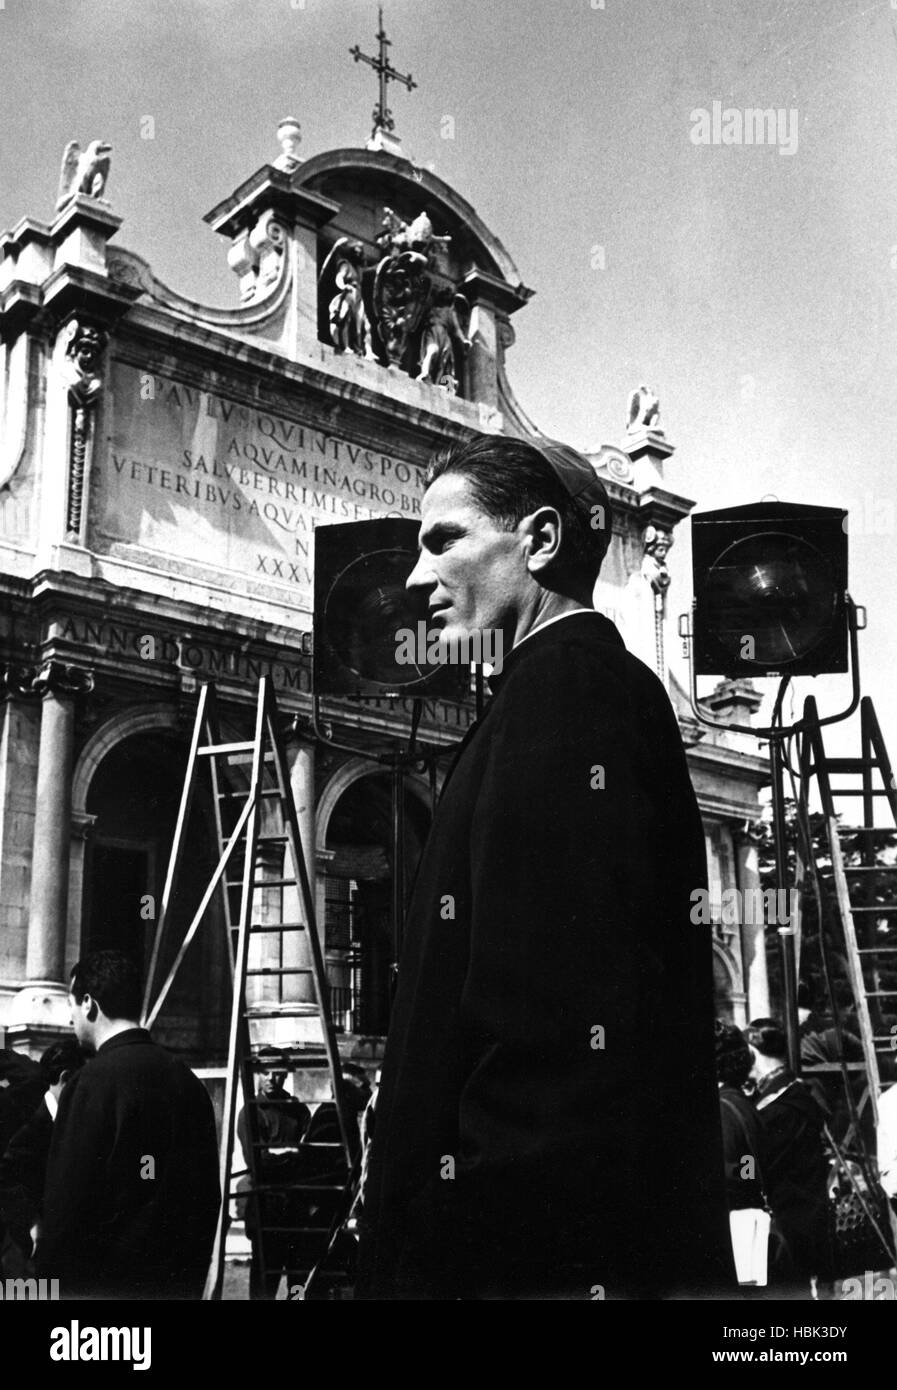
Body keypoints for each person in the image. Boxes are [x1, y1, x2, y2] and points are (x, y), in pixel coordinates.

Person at [356, 433, 734, 1300]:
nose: (414, 579)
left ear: (540, 540)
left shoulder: (565, 693)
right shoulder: (562, 689)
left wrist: (455, 1258)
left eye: (442, 539)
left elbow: (551, 1038)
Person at [37, 950, 220, 1299]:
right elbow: (207, 1198)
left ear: (89, 1003)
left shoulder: (90, 1084)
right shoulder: (189, 1082)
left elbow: (66, 1207)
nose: (70, 1018)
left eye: (72, 1005)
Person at [747, 1017, 833, 1290]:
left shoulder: (774, 1107)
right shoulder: (799, 1091)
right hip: (811, 1215)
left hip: (787, 1223)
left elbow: (757, 1166)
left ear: (753, 1053)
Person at [0, 1037, 85, 1275]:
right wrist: (31, 1221)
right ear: (65, 1078)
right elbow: (5, 1174)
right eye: (79, 1086)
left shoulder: (61, 1118)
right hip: (20, 1240)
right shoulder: (33, 1118)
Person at [237, 1046, 310, 1299]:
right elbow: (259, 1163)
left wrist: (283, 1155)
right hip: (266, 1209)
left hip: (296, 1210)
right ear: (257, 1073)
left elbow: (309, 1157)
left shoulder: (298, 1111)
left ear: (285, 1075)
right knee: (264, 1287)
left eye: (276, 1072)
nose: (270, 1077)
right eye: (264, 1071)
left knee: (299, 1284)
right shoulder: (251, 1112)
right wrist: (292, 1154)